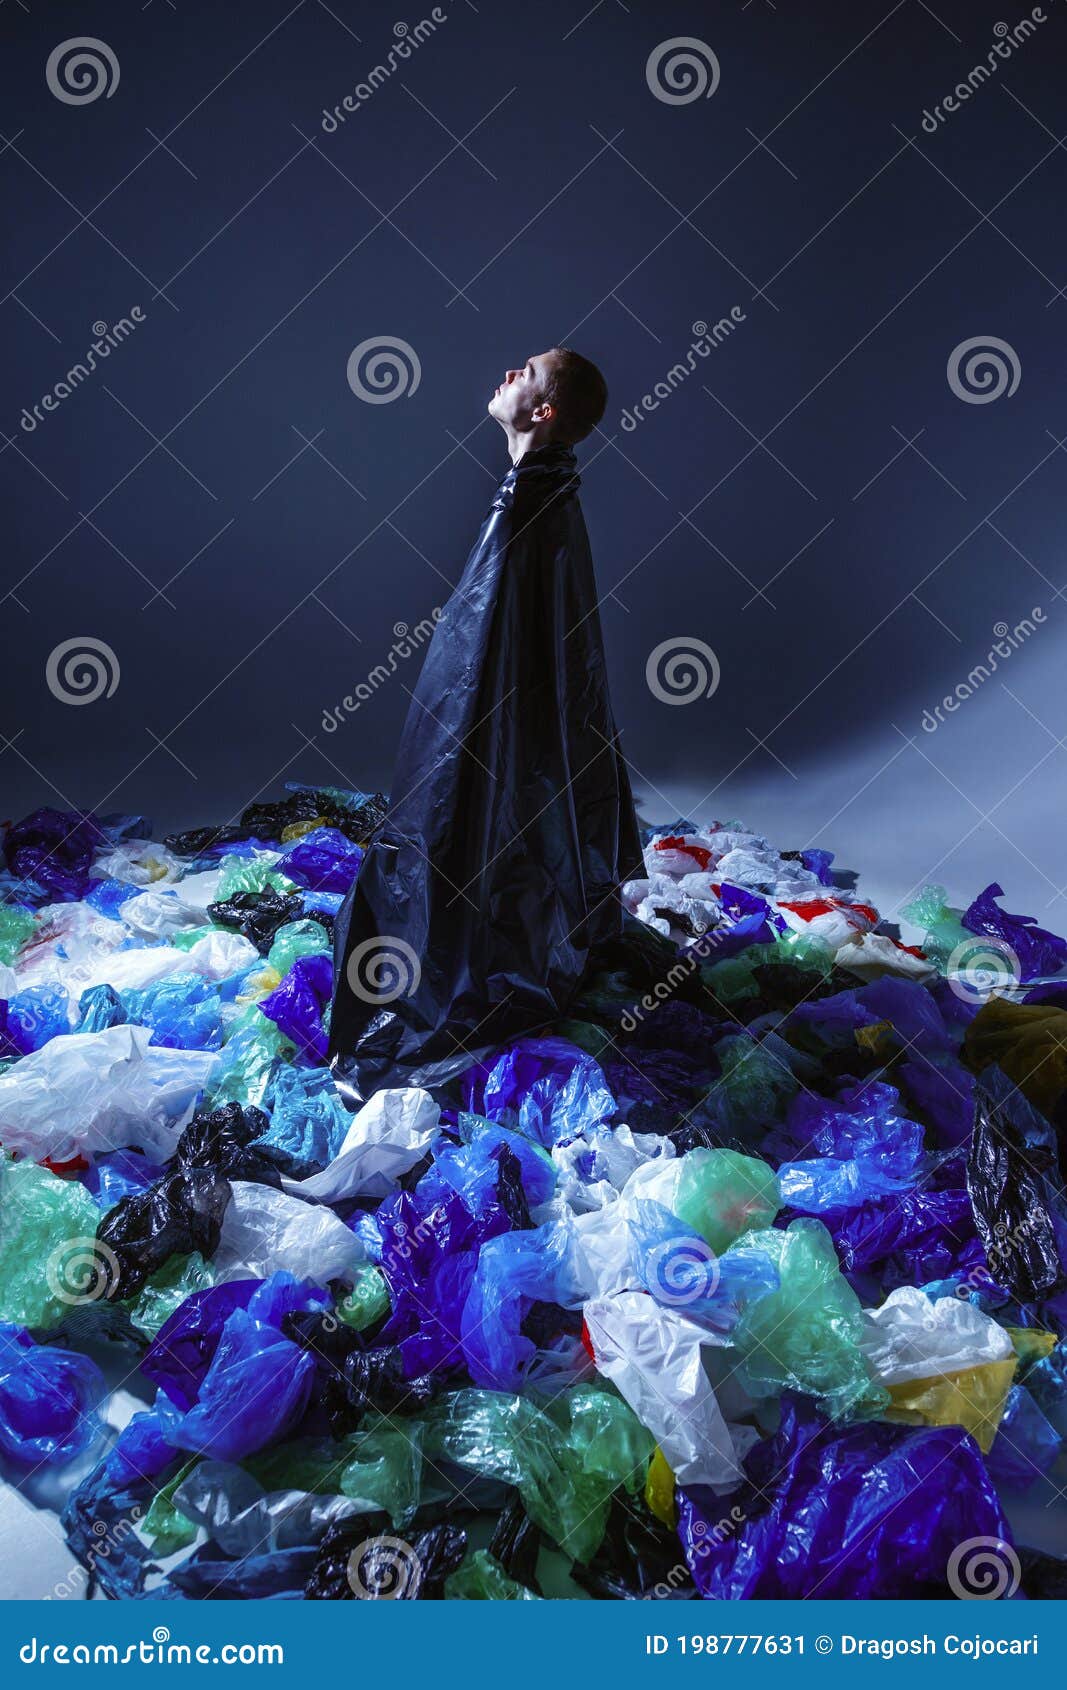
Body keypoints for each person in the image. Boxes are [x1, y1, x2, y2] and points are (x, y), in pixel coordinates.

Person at [329, 346, 642, 1104]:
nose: (507, 371)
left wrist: (458, 747)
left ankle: (450, 969)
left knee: (455, 815)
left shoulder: (534, 499)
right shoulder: (543, 490)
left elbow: (486, 656)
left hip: (487, 730)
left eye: (526, 372)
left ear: (541, 412)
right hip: (508, 734)